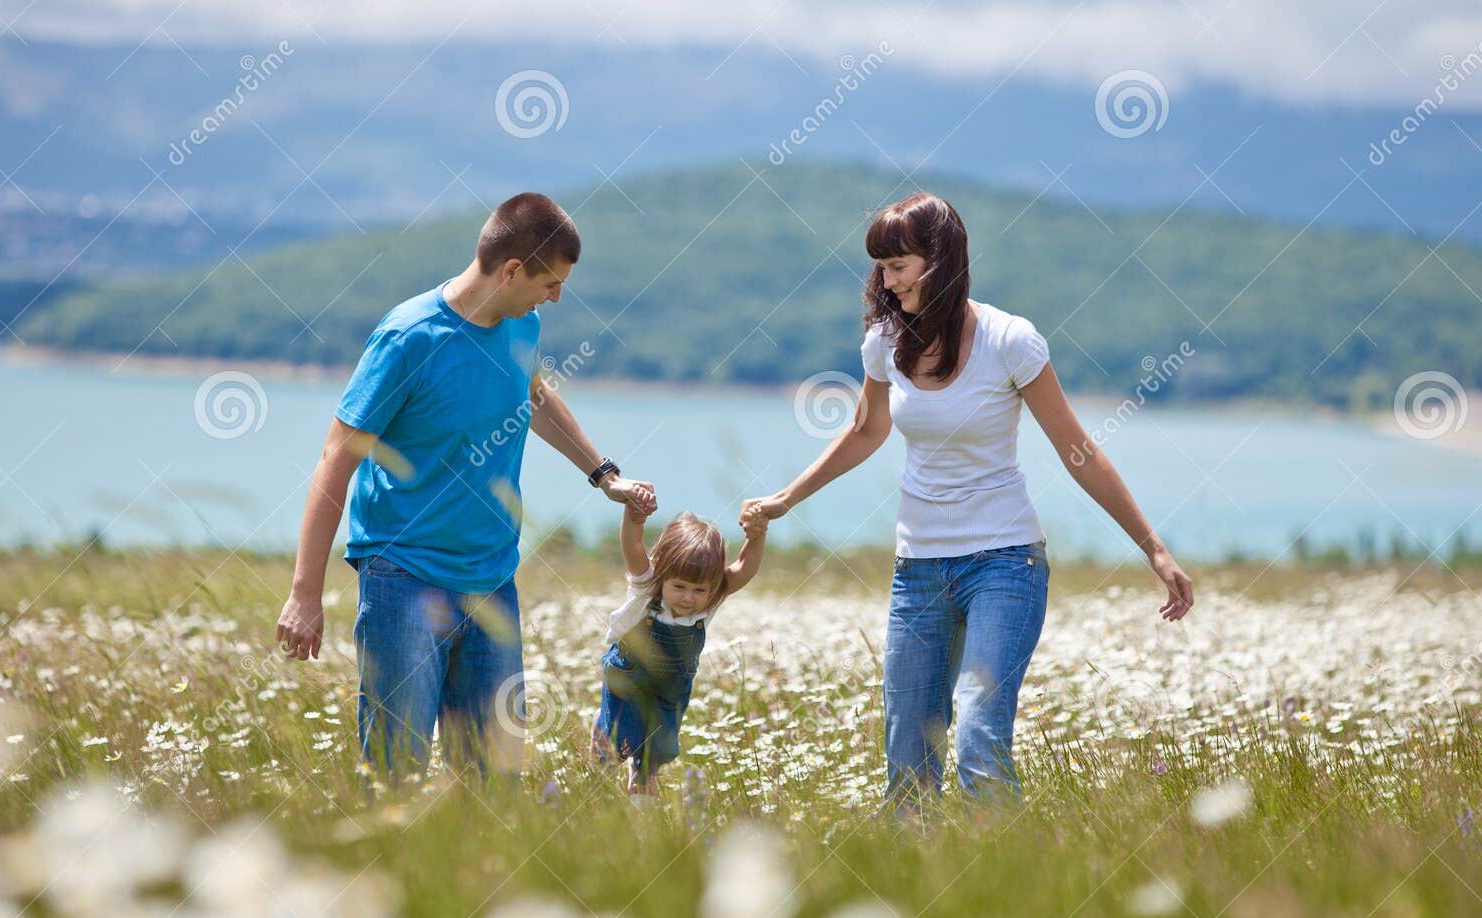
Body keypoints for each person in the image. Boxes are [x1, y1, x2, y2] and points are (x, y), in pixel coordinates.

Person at [742, 192, 1193, 811]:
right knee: (908, 762)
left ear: (942, 260)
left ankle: (1007, 868)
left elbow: (1078, 451)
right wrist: (786, 499)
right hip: (918, 570)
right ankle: (917, 873)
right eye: (881, 267)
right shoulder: (884, 341)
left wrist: (1154, 549)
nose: (887, 282)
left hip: (1005, 565)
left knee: (979, 740)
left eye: (899, 265)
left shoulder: (1011, 341)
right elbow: (865, 432)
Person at [276, 192, 656, 786]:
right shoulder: (409, 337)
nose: (556, 297)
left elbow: (532, 395)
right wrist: (305, 593)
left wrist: (605, 474)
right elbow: (335, 460)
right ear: (512, 271)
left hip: (492, 582)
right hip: (403, 578)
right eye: (551, 283)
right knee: (395, 777)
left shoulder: (523, 324)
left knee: (493, 785)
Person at [591, 506, 768, 799]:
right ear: (663, 575)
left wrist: (757, 535)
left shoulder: (710, 601)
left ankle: (643, 792)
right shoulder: (647, 585)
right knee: (618, 743)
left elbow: (744, 569)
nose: (688, 598)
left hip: (670, 688)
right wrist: (634, 515)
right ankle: (602, 728)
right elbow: (632, 546)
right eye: (679, 586)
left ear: (712, 588)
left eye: (699, 590)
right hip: (628, 676)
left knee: (661, 749)